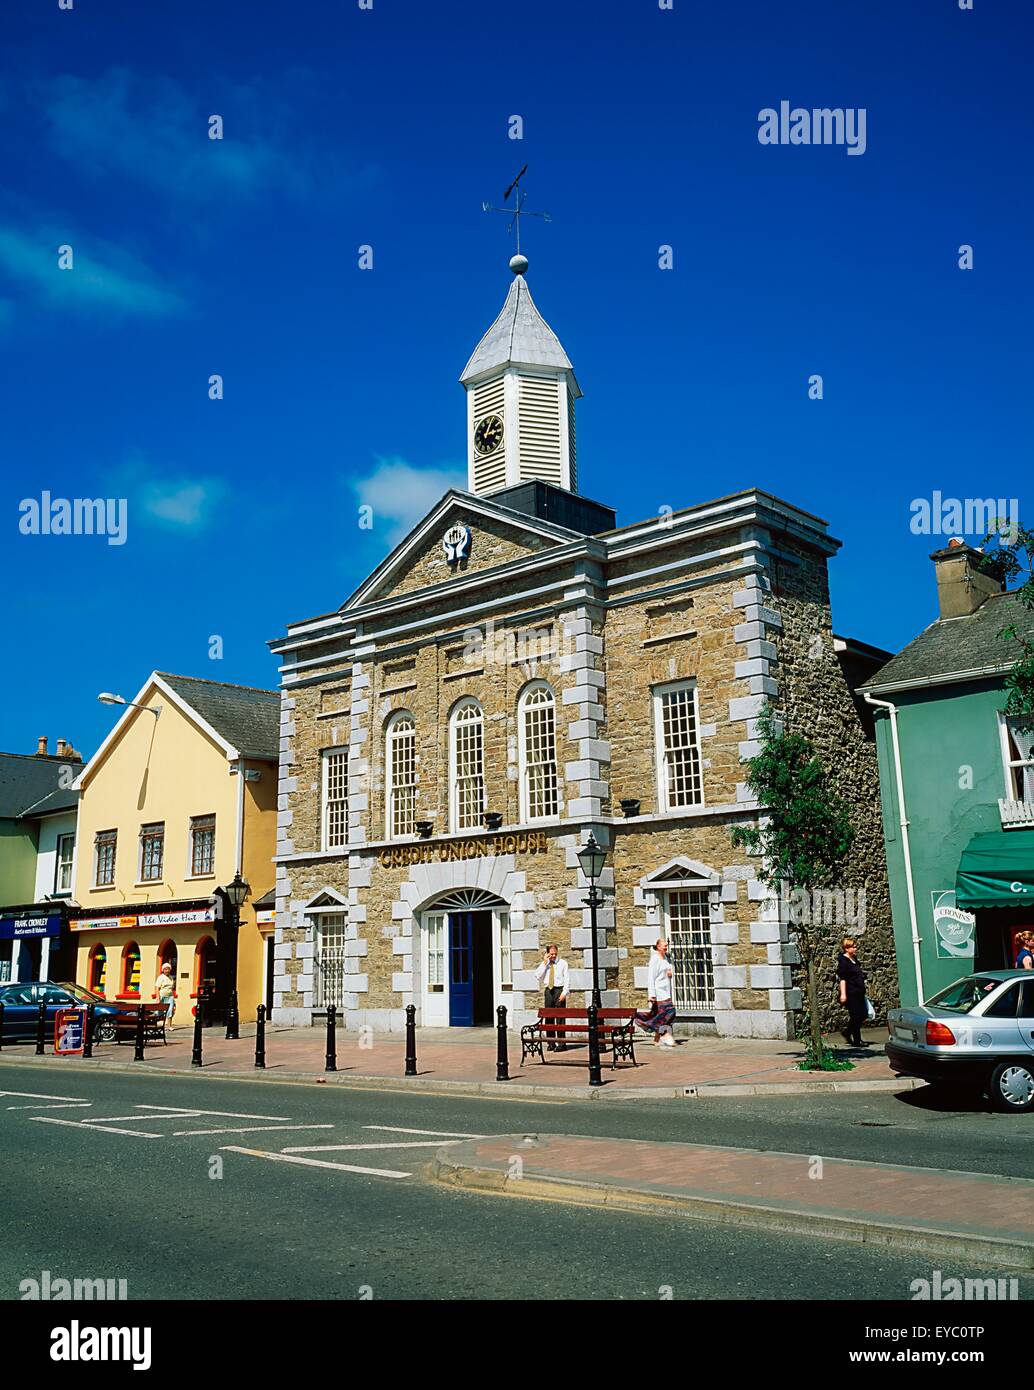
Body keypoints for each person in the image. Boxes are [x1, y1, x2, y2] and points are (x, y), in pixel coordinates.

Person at [635, 939, 677, 1047]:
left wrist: (669, 974)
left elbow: (666, 971)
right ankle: (665, 1036)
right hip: (658, 991)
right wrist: (652, 995)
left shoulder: (667, 957)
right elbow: (651, 977)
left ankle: (658, 1038)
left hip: (666, 990)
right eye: (664, 945)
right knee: (670, 1011)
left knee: (661, 1015)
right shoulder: (655, 959)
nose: (666, 947)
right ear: (658, 946)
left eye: (667, 945)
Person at [535, 943, 569, 1051]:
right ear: (547, 953)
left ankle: (562, 1043)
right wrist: (545, 963)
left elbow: (567, 979)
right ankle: (551, 1042)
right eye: (551, 954)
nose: (553, 956)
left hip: (559, 990)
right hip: (549, 991)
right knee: (549, 1017)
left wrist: (564, 993)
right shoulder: (545, 964)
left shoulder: (563, 963)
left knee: (560, 1018)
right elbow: (537, 976)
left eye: (555, 954)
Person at [837, 936, 867, 1049]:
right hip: (851, 992)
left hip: (859, 992)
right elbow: (843, 979)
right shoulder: (843, 961)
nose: (855, 949)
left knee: (863, 1014)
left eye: (855, 947)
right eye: (853, 947)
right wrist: (843, 994)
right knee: (855, 1016)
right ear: (846, 948)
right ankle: (857, 1040)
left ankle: (847, 1032)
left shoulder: (854, 960)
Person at [155, 962, 176, 1031]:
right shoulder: (161, 977)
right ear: (163, 970)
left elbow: (172, 988)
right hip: (162, 996)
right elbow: (157, 988)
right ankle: (157, 1024)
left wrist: (173, 997)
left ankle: (169, 1025)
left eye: (168, 969)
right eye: (165, 969)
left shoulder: (171, 977)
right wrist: (158, 998)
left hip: (170, 996)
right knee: (159, 1011)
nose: (167, 970)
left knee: (170, 1010)